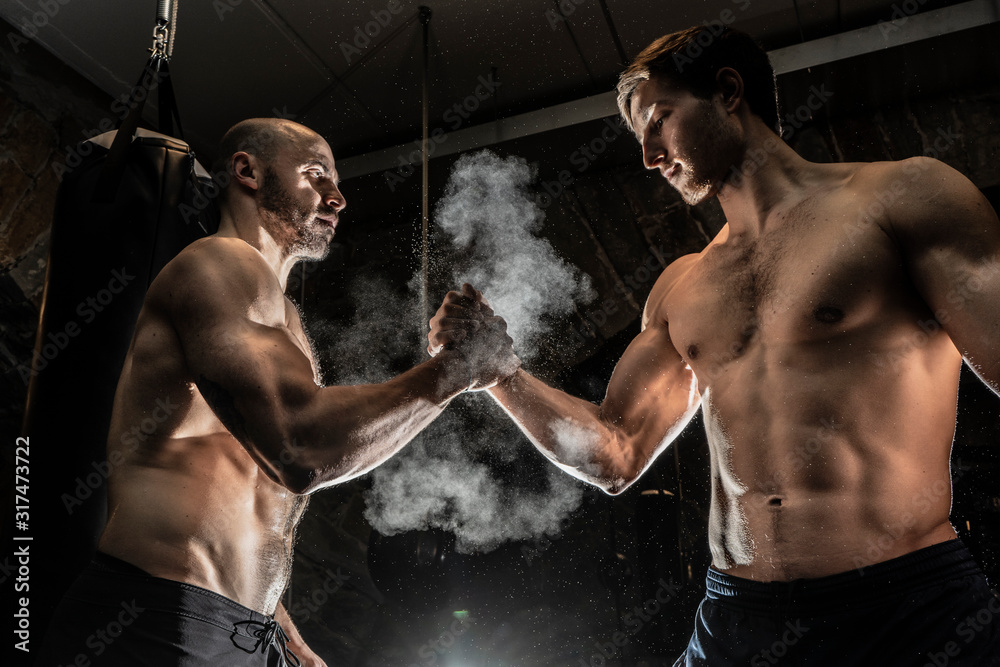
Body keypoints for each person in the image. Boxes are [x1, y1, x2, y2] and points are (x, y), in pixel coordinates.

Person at [429, 27, 1000, 666]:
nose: (649, 156)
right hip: (737, 621)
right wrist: (502, 374)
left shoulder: (903, 199)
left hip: (904, 613)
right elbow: (616, 452)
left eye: (659, 121)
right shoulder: (682, 286)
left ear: (728, 91)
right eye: (639, 138)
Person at [36, 118, 519, 666]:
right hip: (157, 618)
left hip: (242, 632)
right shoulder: (216, 265)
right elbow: (300, 449)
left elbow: (242, 502)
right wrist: (455, 371)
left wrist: (283, 635)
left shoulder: (281, 314)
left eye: (336, 183)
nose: (336, 197)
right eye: (315, 174)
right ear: (247, 171)